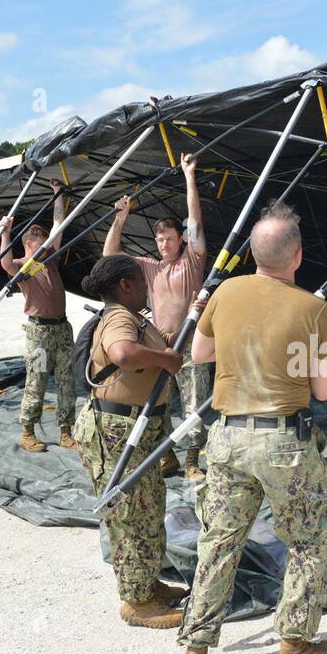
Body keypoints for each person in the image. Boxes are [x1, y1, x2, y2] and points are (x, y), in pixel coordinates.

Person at [175, 202, 327, 654]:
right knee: (309, 539)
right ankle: (293, 650)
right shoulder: (313, 308)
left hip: (226, 438)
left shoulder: (225, 291)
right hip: (283, 441)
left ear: (252, 254)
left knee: (219, 544)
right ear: (297, 256)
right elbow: (325, 390)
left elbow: (200, 354)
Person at [73, 254, 198, 628]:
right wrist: (164, 359)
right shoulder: (119, 317)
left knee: (147, 508)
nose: (147, 287)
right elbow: (123, 354)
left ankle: (147, 584)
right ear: (125, 286)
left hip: (136, 428)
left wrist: (173, 341)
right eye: (141, 282)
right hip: (116, 430)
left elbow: (150, 350)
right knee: (130, 515)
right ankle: (136, 602)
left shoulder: (134, 318)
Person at [103, 152, 211, 482]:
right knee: (158, 406)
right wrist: (120, 218)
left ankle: (192, 461)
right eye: (159, 239)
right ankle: (168, 458)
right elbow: (110, 257)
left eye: (169, 238)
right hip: (160, 346)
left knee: (193, 407)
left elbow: (195, 222)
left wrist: (189, 177)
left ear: (181, 240)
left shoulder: (191, 261)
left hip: (190, 344)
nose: (164, 243)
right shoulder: (150, 268)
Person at [0, 179, 77, 452]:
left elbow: (59, 226)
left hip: (62, 328)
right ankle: (28, 431)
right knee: (38, 380)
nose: (47, 248)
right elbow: (5, 263)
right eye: (42, 245)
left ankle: (66, 431)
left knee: (67, 380)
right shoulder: (23, 266)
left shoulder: (50, 259)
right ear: (30, 245)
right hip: (39, 332)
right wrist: (5, 233)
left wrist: (58, 196)